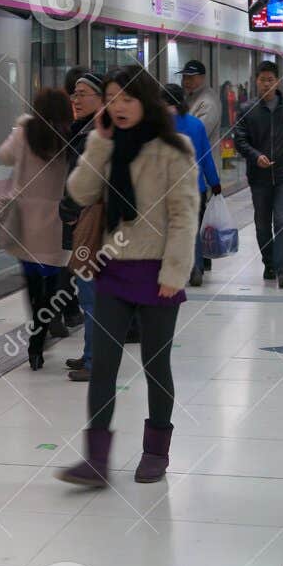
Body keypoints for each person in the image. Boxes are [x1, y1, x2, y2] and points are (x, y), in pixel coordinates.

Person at [57, 66, 198, 488]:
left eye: (127, 98)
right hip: (111, 270)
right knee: (103, 366)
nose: (118, 107)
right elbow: (79, 193)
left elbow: (184, 216)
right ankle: (96, 460)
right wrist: (98, 142)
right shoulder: (107, 143)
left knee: (156, 365)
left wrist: (175, 271)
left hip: (157, 273)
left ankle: (156, 452)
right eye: (113, 98)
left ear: (146, 102)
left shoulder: (175, 148)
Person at [0, 88, 73, 370]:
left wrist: (18, 126)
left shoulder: (25, 131)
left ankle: (36, 344)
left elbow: (3, 156)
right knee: (51, 284)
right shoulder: (70, 136)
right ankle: (40, 336)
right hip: (56, 219)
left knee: (31, 282)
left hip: (24, 218)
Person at [232, 61, 283, 289]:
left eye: (271, 79)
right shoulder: (247, 109)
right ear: (256, 82)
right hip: (258, 178)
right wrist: (255, 155)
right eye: (262, 80)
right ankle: (269, 263)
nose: (267, 84)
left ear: (277, 81)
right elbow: (239, 140)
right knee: (261, 224)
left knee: (281, 219)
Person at [60, 71, 104, 381]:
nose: (75, 99)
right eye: (74, 93)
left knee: (91, 293)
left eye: (82, 93)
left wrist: (71, 210)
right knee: (88, 290)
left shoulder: (95, 134)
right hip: (86, 220)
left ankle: (94, 360)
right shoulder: (85, 129)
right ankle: (90, 353)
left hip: (91, 222)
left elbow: (88, 182)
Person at [164, 83, 221, 288]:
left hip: (165, 189)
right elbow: (206, 157)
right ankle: (196, 268)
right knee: (192, 230)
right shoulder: (196, 124)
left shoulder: (158, 125)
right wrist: (214, 183)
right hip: (194, 188)